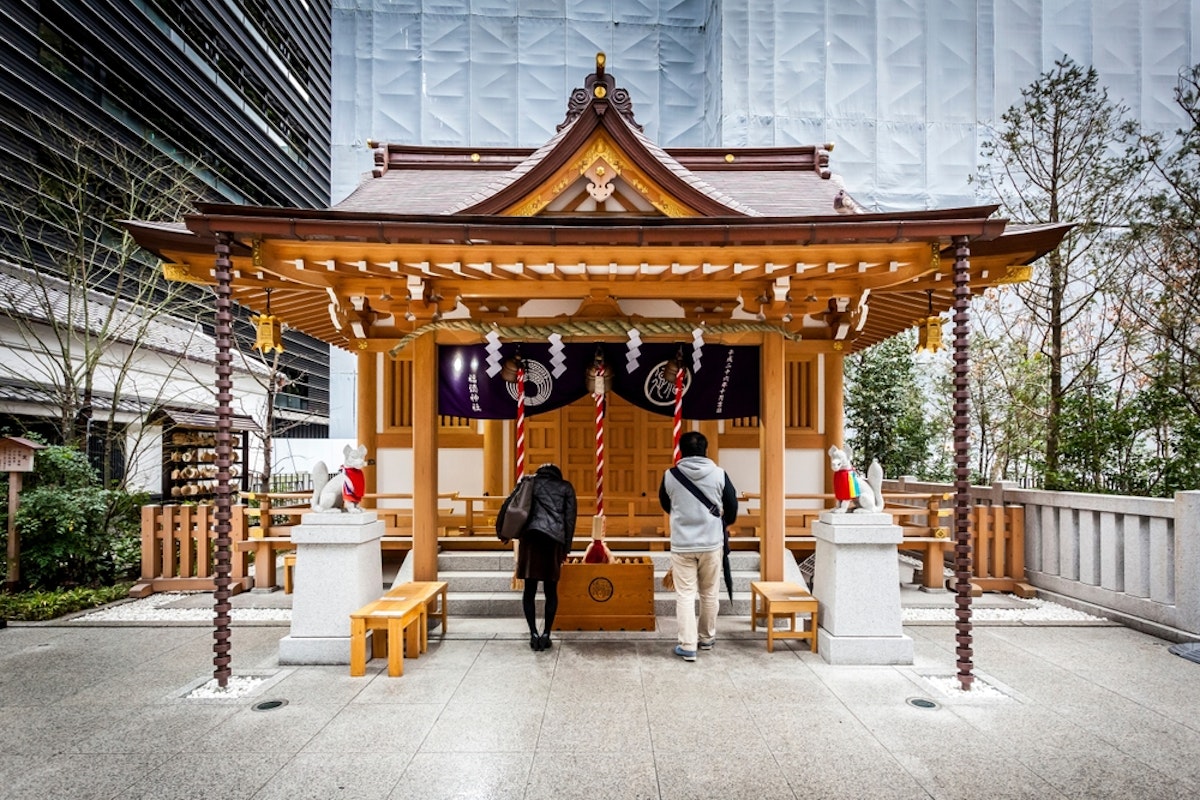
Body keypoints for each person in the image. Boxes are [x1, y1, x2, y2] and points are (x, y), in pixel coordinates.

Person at [659, 431, 738, 662]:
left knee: (685, 594)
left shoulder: (670, 475)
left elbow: (666, 504)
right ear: (706, 449)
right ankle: (706, 637)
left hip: (683, 543)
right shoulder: (720, 475)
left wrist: (684, 516)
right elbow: (731, 509)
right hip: (712, 543)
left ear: (681, 450)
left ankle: (687, 644)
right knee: (709, 592)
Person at [496, 463, 577, 651]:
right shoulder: (565, 487)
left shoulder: (528, 482)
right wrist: (566, 548)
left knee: (529, 589)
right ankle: (546, 633)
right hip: (553, 540)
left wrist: (504, 532)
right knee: (551, 590)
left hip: (530, 540)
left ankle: (533, 633)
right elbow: (570, 520)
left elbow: (510, 505)